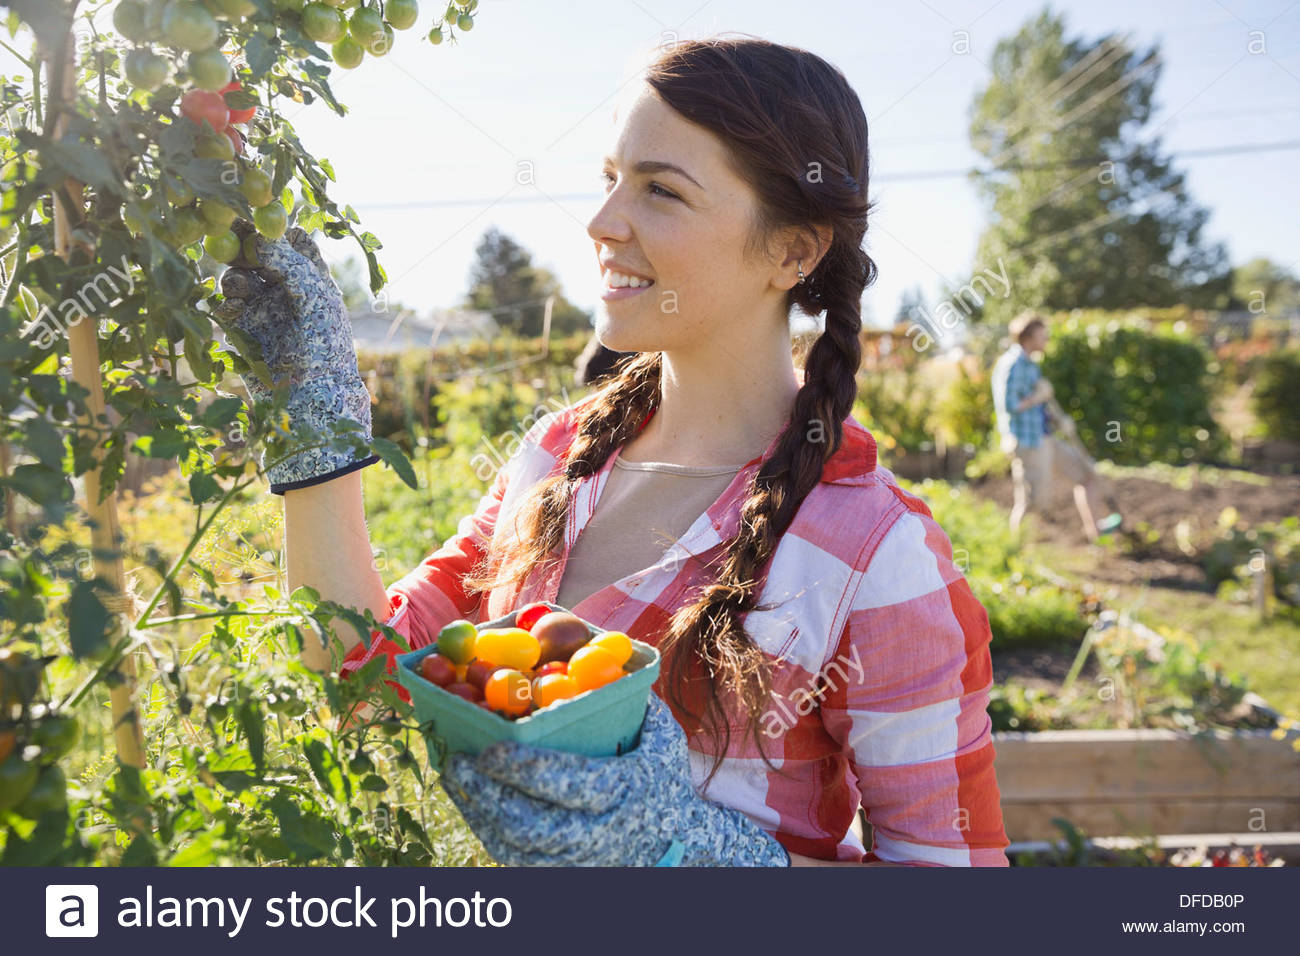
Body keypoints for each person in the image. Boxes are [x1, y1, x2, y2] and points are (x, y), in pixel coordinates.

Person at [217, 35, 1010, 867]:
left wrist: (698, 856)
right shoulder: (555, 460)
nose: (600, 223)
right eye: (609, 179)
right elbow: (362, 682)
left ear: (793, 250)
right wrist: (317, 425)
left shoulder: (875, 554)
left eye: (661, 190)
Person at [991, 311, 1119, 540]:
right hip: (1028, 441)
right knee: (1033, 502)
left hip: (1045, 436)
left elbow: (1038, 404)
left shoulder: (1031, 365)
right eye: (1043, 336)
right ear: (1029, 338)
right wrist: (1038, 397)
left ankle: (1096, 533)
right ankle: (1016, 553)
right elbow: (1010, 405)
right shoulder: (1014, 365)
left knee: (1086, 475)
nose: (1047, 340)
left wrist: (1059, 420)